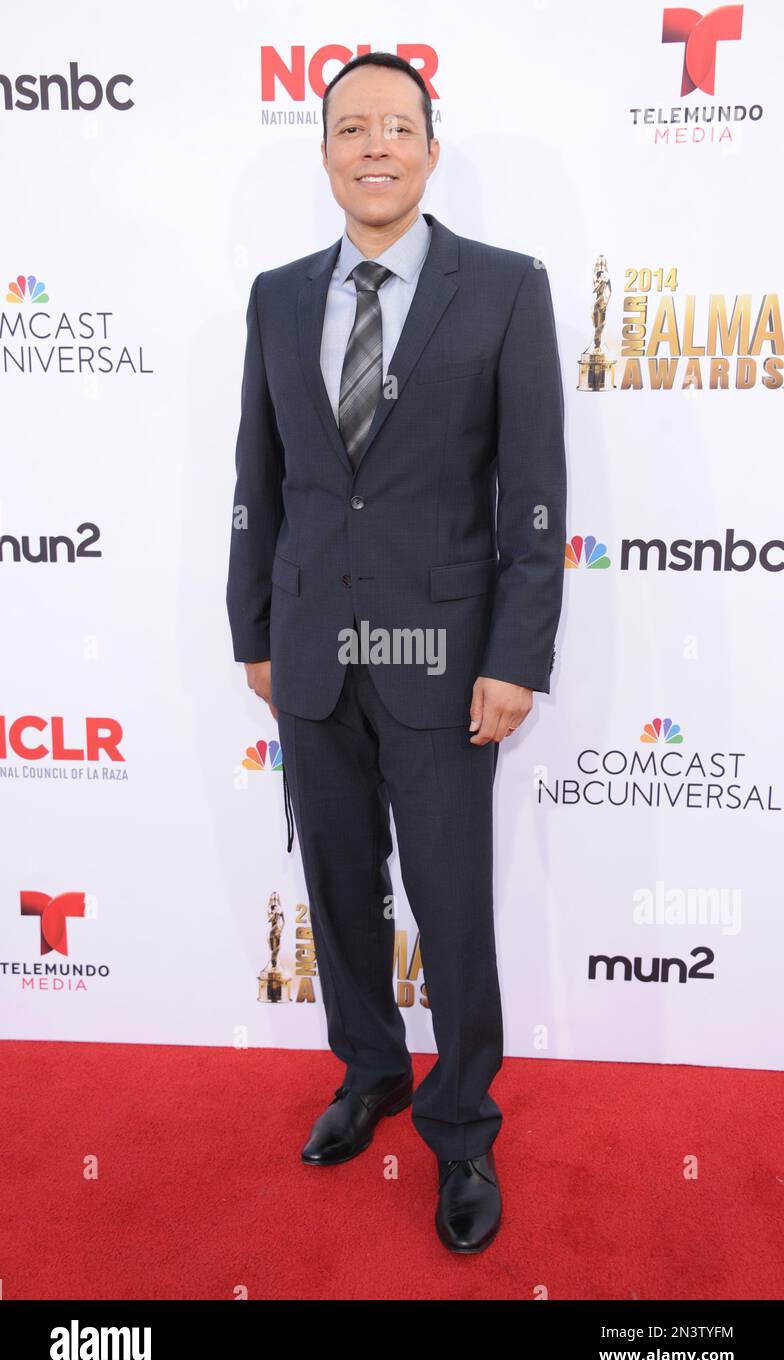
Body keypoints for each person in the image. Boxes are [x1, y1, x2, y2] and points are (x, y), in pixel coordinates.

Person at [226, 51, 567, 1254]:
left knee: (451, 903)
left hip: (443, 656)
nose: (374, 147)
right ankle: (368, 1069)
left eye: (396, 128)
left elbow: (533, 491)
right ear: (324, 152)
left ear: (430, 146)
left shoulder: (505, 289)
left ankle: (461, 1124)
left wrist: (515, 655)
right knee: (338, 886)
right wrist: (251, 633)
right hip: (310, 651)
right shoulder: (275, 295)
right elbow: (256, 480)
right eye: (350, 128)